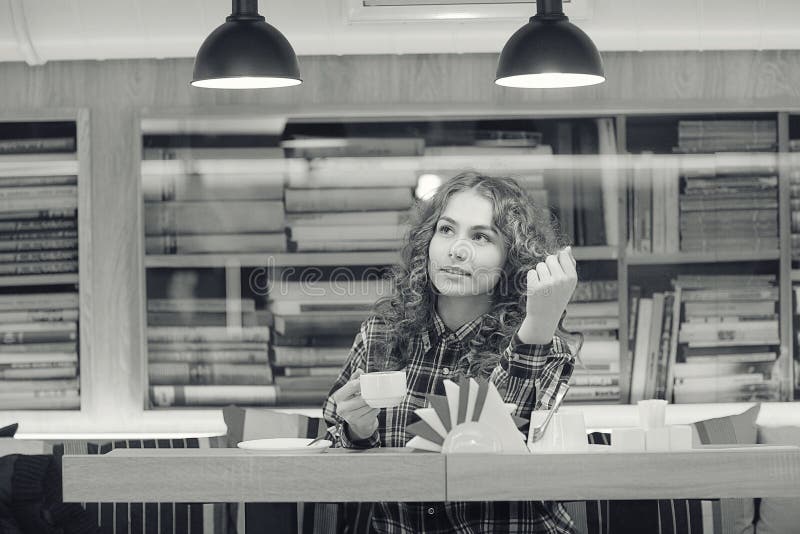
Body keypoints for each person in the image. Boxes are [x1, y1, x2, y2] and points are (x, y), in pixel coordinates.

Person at [323, 171, 582, 534]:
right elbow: (332, 445)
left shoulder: (542, 345)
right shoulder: (381, 332)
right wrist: (358, 432)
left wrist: (538, 326)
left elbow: (507, 449)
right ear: (427, 241)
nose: (456, 249)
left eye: (480, 236)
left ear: (512, 258)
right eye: (446, 230)